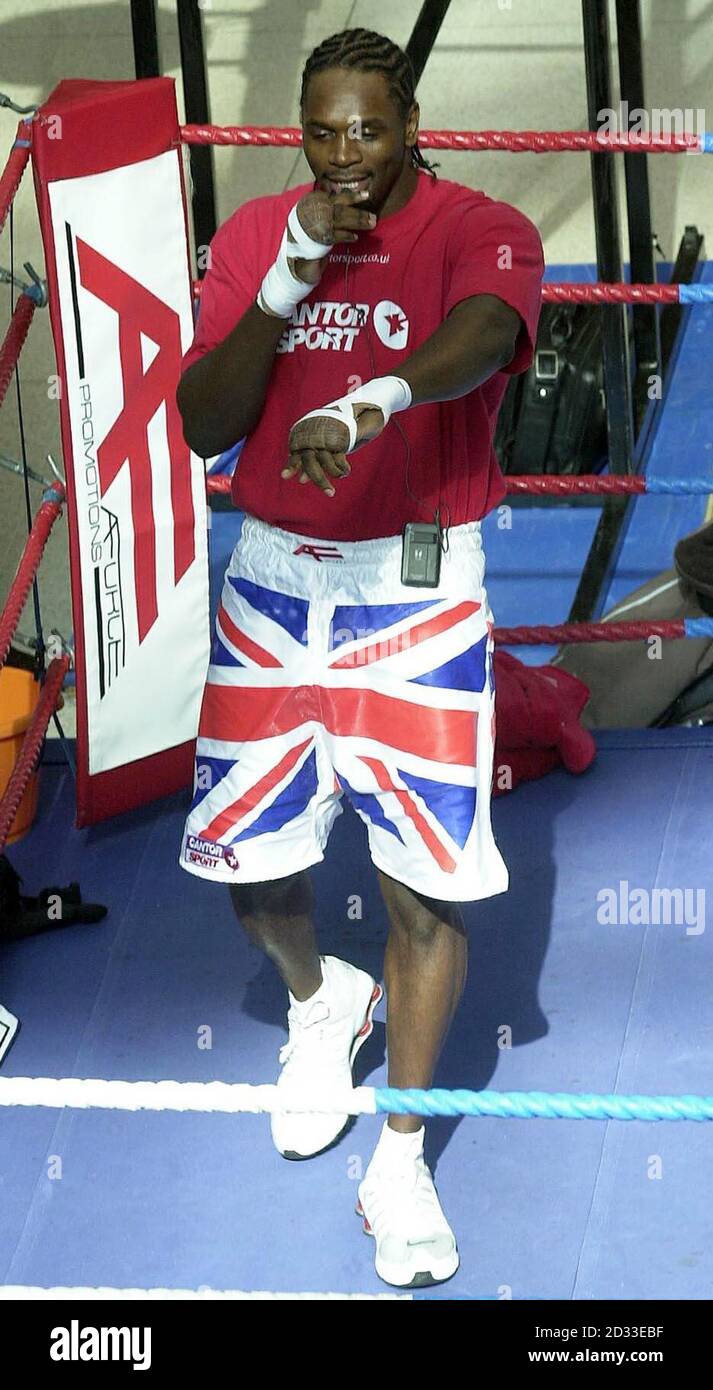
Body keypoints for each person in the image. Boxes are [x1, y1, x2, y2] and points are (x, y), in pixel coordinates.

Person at [176, 26, 544, 1288]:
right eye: (322, 131)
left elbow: (485, 336)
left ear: (410, 122)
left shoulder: (480, 224)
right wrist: (281, 284)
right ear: (298, 126)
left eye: (369, 131)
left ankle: (397, 1157)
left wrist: (369, 396)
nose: (345, 157)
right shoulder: (252, 239)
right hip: (272, 585)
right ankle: (321, 997)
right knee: (250, 869)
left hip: (418, 591)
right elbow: (200, 423)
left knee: (422, 890)